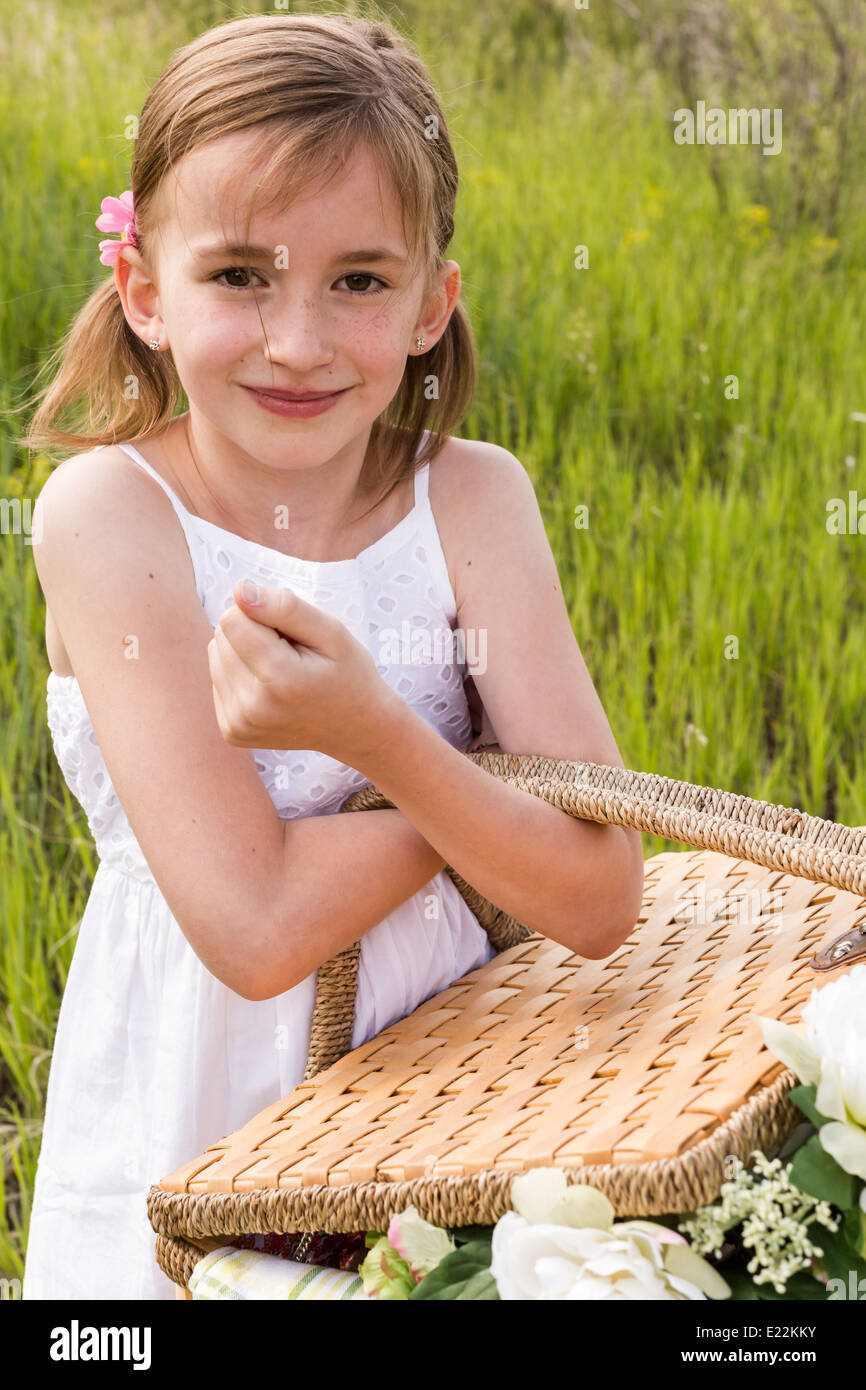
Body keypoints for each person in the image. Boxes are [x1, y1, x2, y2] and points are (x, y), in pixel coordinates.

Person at [20, 12, 644, 1300]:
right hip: (202, 1094)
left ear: (431, 305)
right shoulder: (111, 517)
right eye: (241, 274)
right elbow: (252, 929)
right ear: (143, 289)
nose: (297, 342)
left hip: (460, 1076)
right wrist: (484, 788)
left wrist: (382, 741)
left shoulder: (474, 501)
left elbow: (598, 897)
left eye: (359, 280)